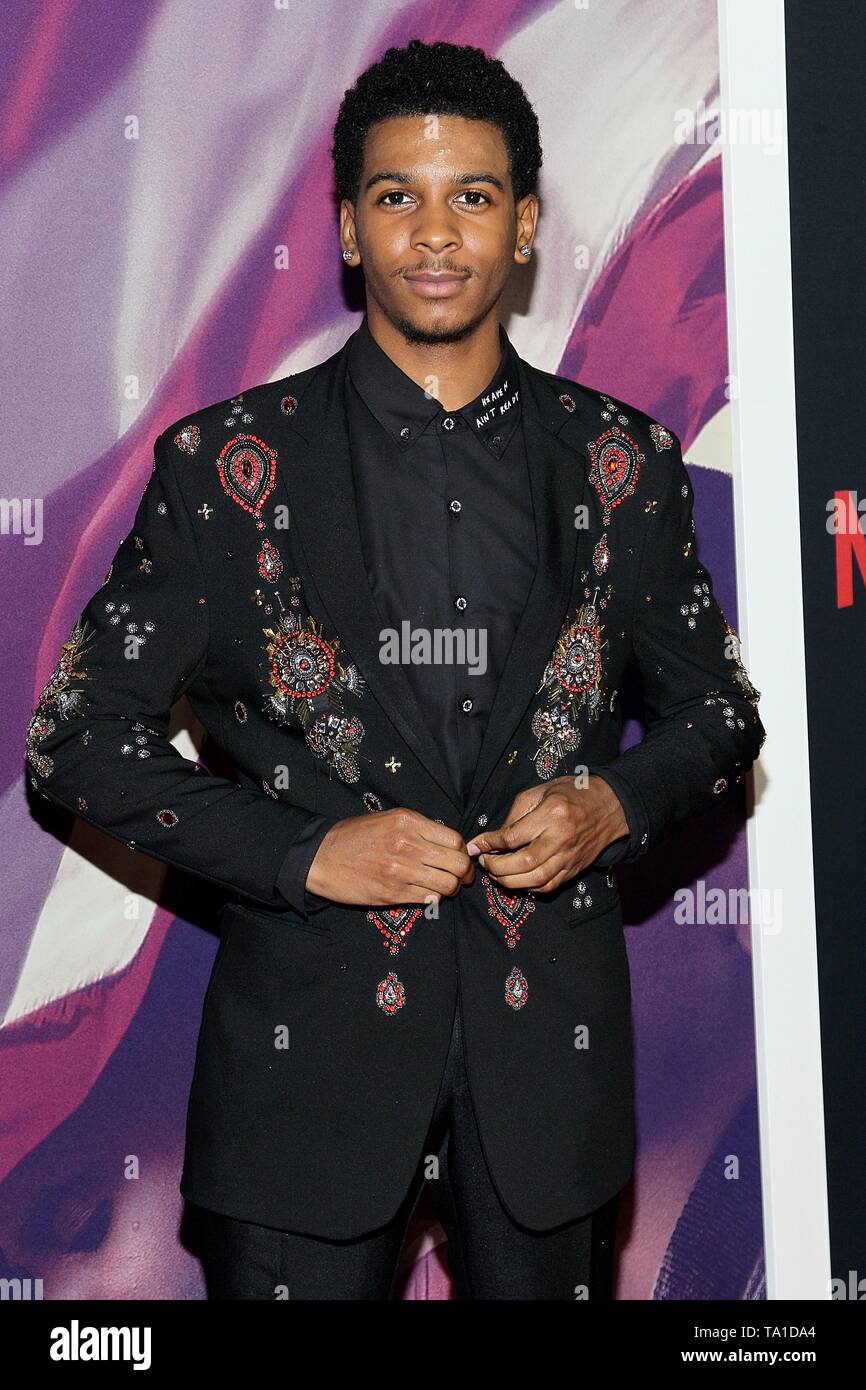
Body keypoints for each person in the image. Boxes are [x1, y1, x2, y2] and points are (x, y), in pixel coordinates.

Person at [26, 38, 766, 1300]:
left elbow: (719, 716)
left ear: (523, 223)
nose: (434, 233)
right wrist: (302, 853)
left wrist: (613, 803)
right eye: (395, 197)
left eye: (470, 196)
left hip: (548, 1084)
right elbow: (78, 738)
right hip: (299, 1084)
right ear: (348, 228)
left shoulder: (620, 462)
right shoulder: (224, 469)